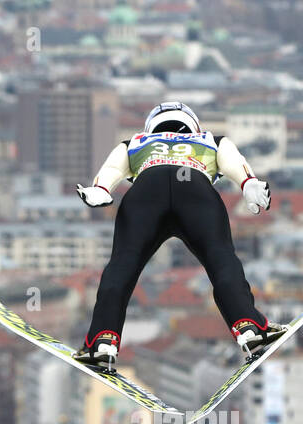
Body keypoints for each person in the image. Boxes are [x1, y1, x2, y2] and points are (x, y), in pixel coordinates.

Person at [73, 101, 285, 371]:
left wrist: (101, 189)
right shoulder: (211, 140)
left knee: (122, 266)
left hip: (147, 191)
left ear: (152, 126)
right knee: (221, 260)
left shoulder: (135, 142)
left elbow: (113, 170)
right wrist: (249, 184)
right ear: (192, 123)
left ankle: (103, 341)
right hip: (195, 191)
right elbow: (235, 164)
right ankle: (249, 327)